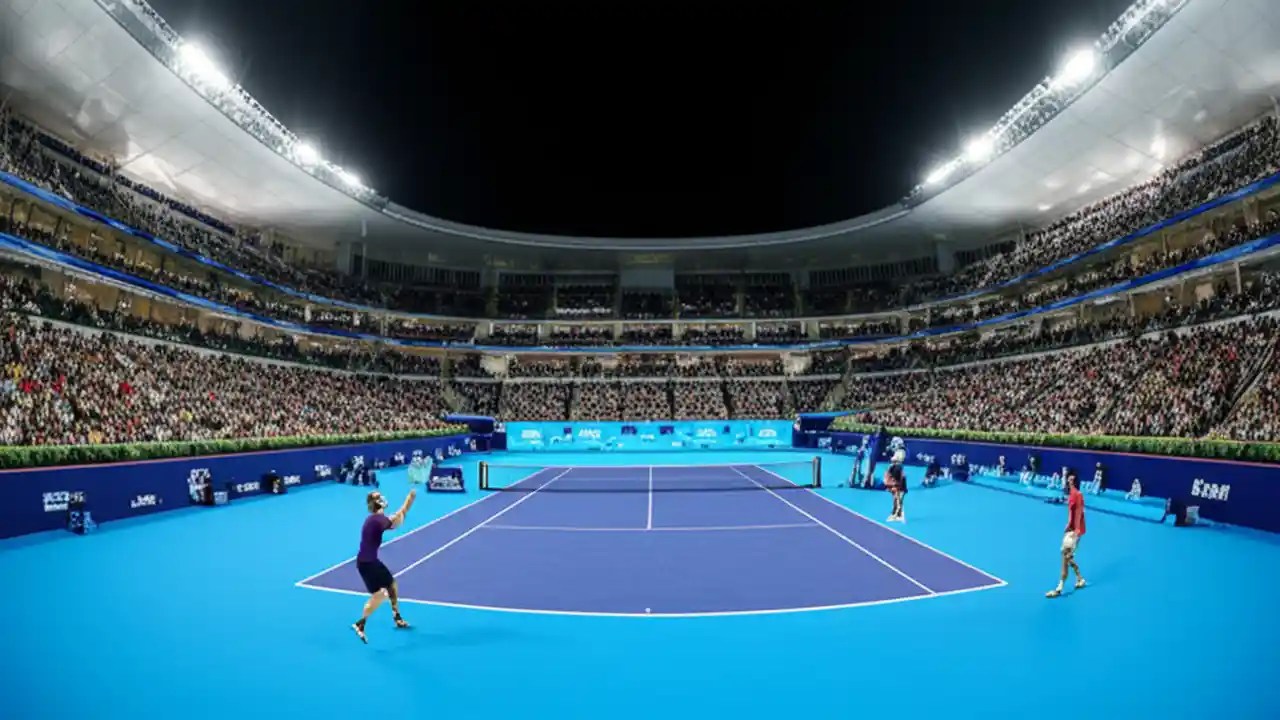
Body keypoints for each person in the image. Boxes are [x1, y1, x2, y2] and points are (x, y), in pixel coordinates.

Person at [352, 488, 417, 643]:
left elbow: (397, 518)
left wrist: (406, 504)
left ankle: (397, 616)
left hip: (370, 561)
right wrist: (409, 499)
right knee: (380, 594)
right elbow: (399, 519)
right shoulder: (377, 520)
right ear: (377, 503)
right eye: (378, 497)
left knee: (391, 584)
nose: (381, 498)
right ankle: (360, 623)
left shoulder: (375, 519)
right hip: (367, 565)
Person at [1046, 472, 1087, 598]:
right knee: (1067, 555)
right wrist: (1068, 525)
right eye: (1069, 479)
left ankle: (1059, 588)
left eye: (1071, 480)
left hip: (1076, 530)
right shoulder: (1071, 494)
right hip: (1071, 529)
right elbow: (1071, 513)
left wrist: (1076, 531)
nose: (1069, 482)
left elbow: (1079, 513)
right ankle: (1080, 578)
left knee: (1066, 556)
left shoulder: (1078, 495)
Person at [885, 450, 907, 522]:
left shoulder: (898, 468)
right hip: (897, 487)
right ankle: (896, 515)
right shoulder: (894, 467)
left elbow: (900, 478)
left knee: (898, 500)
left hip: (899, 487)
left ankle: (898, 515)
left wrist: (895, 486)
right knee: (896, 500)